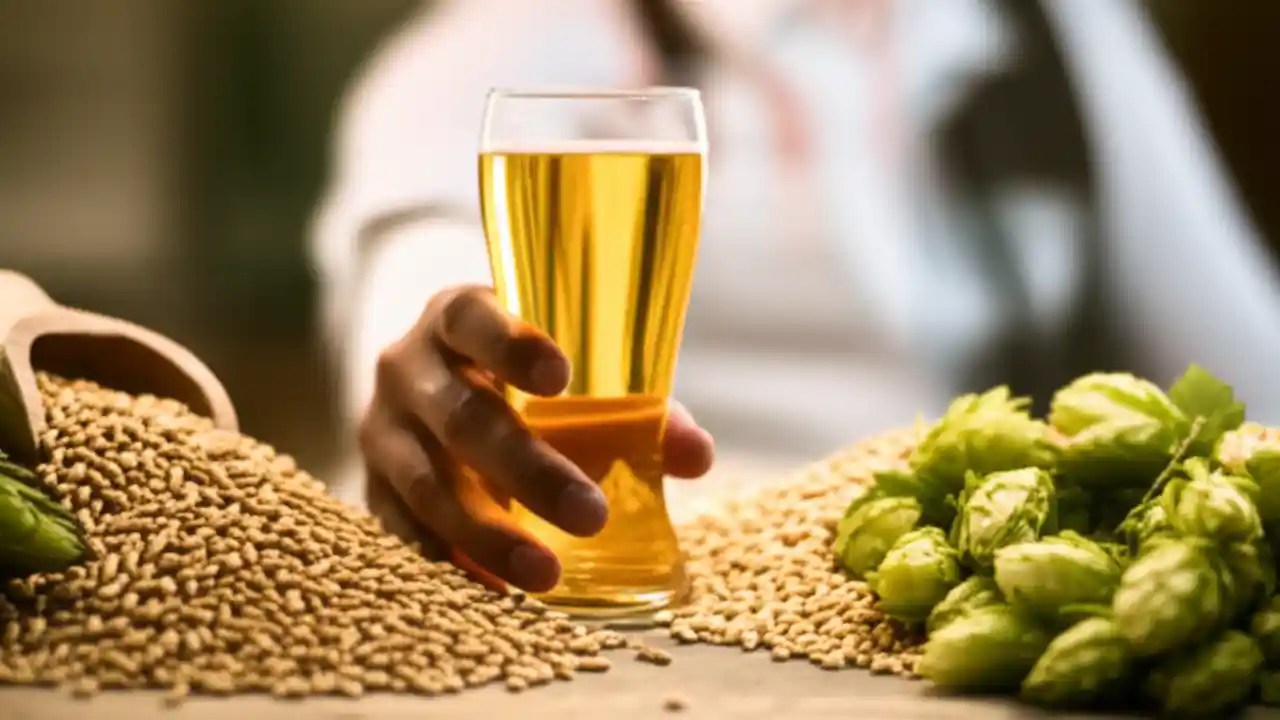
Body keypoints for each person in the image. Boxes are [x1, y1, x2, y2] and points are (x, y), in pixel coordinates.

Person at [309, 0, 1280, 592]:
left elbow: (1247, 377)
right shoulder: (509, 39)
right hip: (688, 610)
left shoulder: (1055, 30)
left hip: (942, 591)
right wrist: (432, 371)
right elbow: (413, 242)